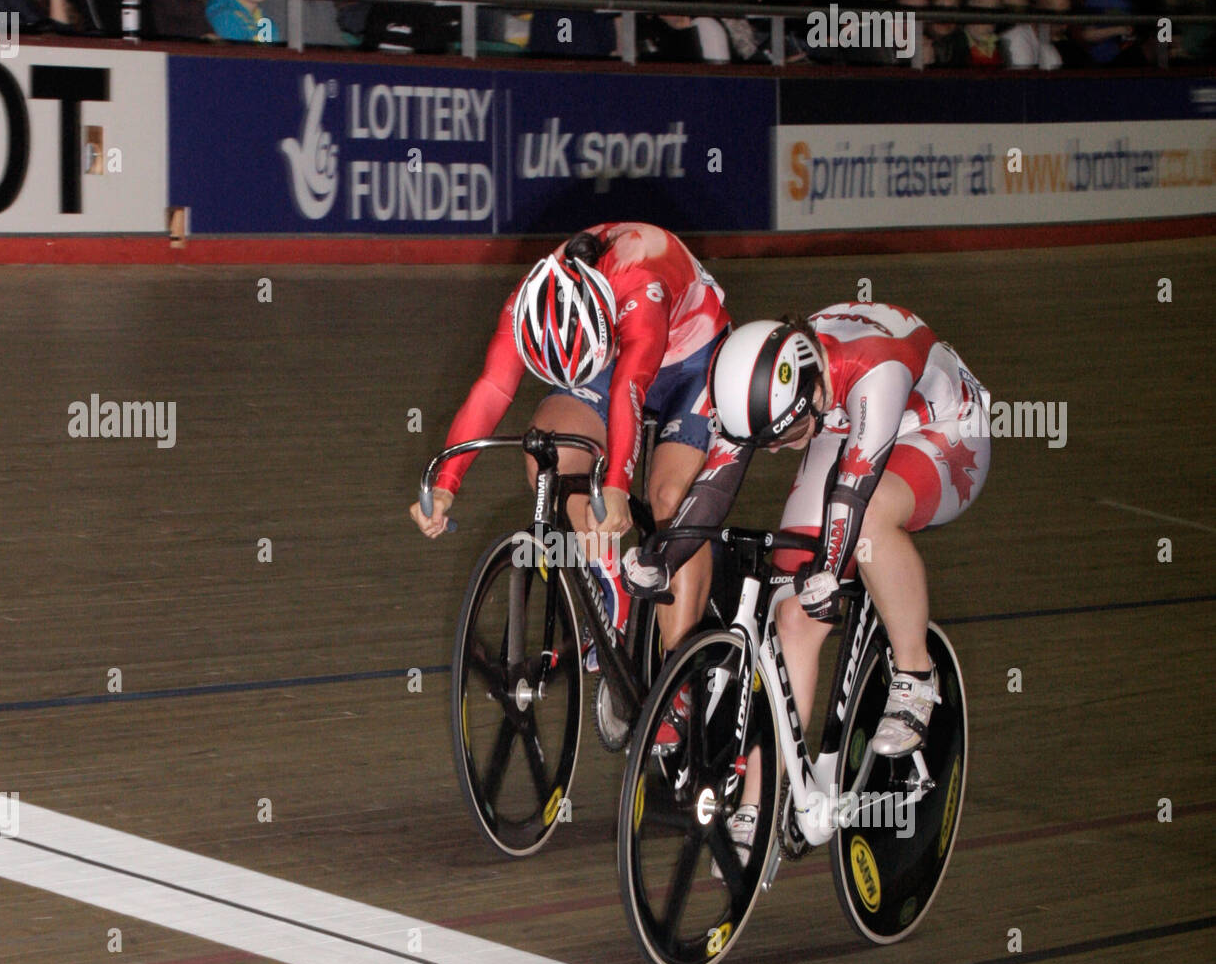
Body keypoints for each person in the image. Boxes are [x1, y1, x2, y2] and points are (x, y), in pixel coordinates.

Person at [622, 305, 990, 858]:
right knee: (793, 614)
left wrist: (830, 568)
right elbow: (717, 486)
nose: (773, 449)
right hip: (843, 425)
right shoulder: (767, 382)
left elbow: (854, 490)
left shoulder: (873, 366)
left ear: (811, 390)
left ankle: (915, 674)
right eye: (763, 441)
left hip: (941, 427)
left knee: (864, 523)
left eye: (783, 433)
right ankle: (760, 801)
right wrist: (665, 556)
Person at [411, 223, 733, 674]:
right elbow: (491, 389)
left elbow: (630, 392)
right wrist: (446, 484)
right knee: (550, 452)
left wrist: (617, 485)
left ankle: (675, 680)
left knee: (669, 502)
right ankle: (612, 586)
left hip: (691, 356)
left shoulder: (641, 281)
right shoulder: (530, 299)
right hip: (602, 358)